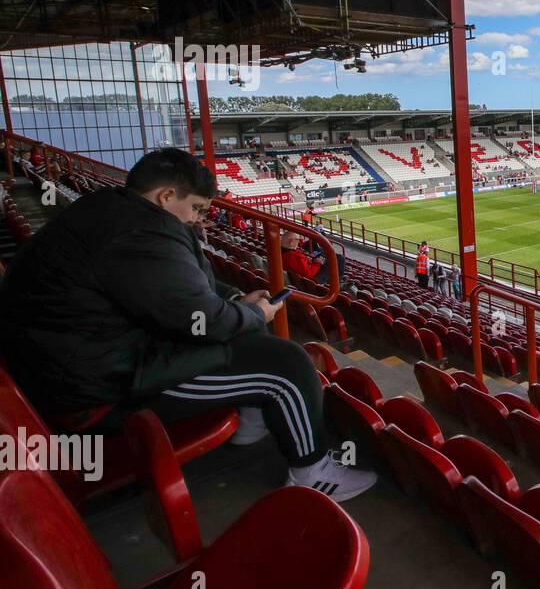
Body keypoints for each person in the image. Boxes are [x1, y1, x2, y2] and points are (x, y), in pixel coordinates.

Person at [0, 147, 375, 502]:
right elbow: (203, 321)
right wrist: (255, 314)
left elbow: (177, 288)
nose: (198, 218)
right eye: (195, 208)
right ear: (166, 196)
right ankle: (311, 471)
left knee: (247, 329)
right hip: (99, 392)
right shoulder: (140, 233)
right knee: (289, 364)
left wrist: (234, 300)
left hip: (77, 365)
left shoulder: (110, 210)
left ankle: (253, 415)